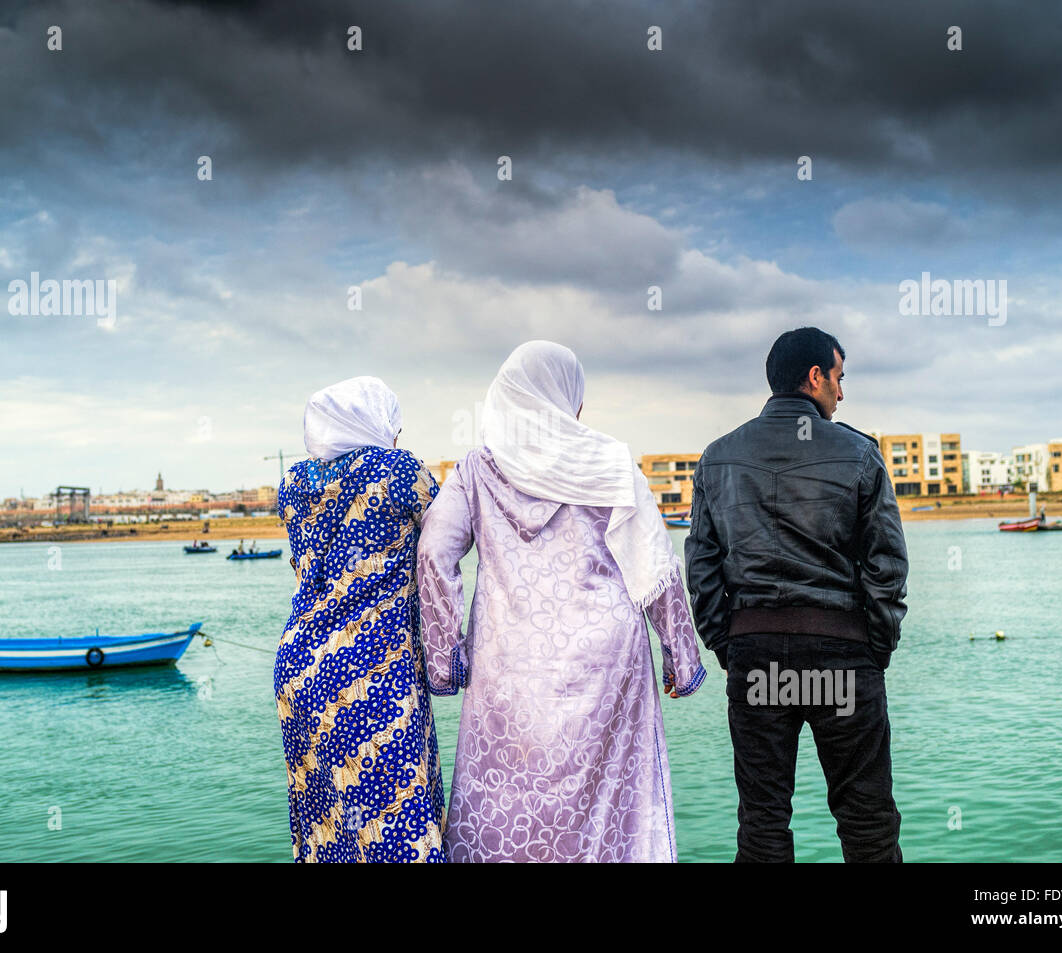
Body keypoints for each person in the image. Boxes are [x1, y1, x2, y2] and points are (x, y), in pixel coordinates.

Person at [416, 340, 706, 862]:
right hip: (607, 664)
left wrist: (444, 659)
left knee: (508, 803)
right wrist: (681, 659)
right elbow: (656, 565)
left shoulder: (476, 470)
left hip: (509, 664)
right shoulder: (610, 462)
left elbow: (435, 553)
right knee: (610, 808)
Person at [686, 327, 908, 862]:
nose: (841, 392)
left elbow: (701, 567)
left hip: (756, 659)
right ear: (815, 377)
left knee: (762, 823)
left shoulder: (718, 458)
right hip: (843, 660)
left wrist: (729, 643)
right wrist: (874, 649)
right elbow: (887, 565)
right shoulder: (859, 454)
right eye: (838, 378)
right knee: (867, 822)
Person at [273, 376, 445, 862]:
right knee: (398, 829)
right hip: (371, 674)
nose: (396, 436)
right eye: (393, 425)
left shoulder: (292, 484)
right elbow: (453, 529)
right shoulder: (398, 470)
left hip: (299, 669)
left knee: (327, 831)